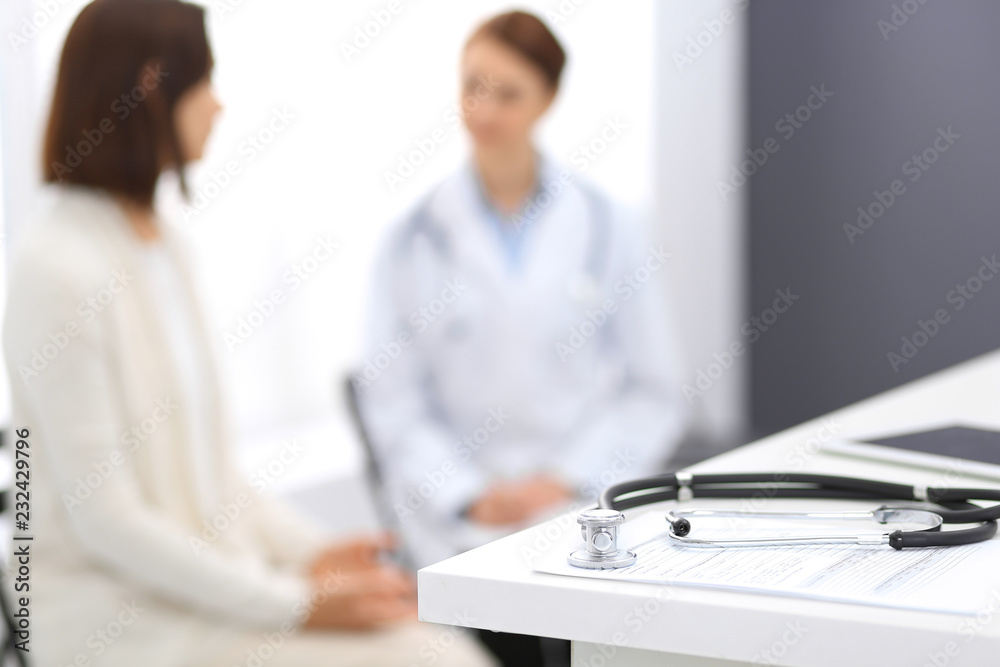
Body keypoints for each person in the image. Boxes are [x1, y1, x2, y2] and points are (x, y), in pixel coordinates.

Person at [2, 2, 495, 666]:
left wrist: (310, 554)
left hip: (206, 596)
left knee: (436, 646)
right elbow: (104, 517)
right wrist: (294, 600)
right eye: (204, 82)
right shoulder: (53, 267)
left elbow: (214, 479)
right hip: (119, 623)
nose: (218, 106)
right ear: (151, 92)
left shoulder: (163, 244)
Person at [358, 10, 686, 665]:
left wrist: (565, 476)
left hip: (577, 497)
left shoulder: (609, 225)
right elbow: (391, 400)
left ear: (548, 100)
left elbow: (657, 389)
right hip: (457, 516)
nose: (483, 108)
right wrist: (467, 489)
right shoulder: (410, 238)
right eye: (472, 85)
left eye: (508, 93)